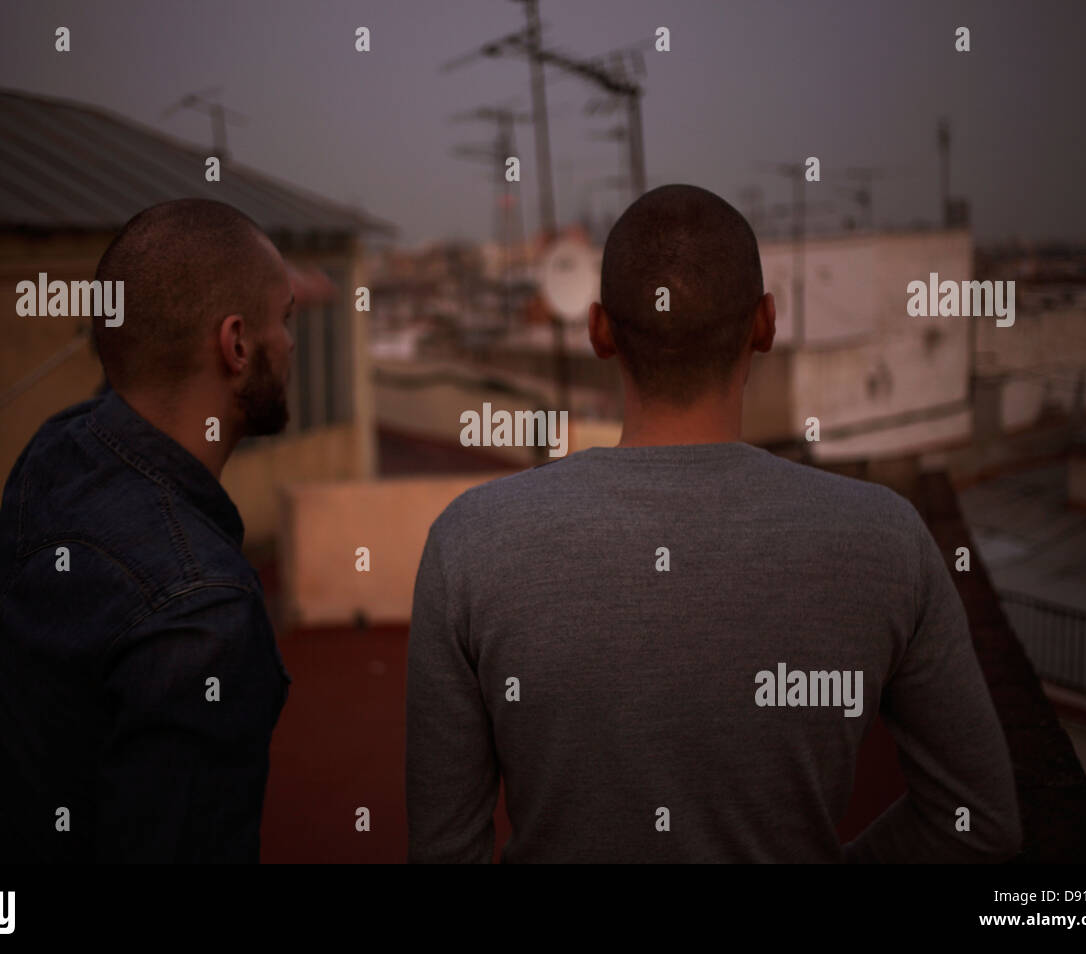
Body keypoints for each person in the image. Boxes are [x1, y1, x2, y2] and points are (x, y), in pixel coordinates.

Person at [406, 184, 1022, 863]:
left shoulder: (468, 544)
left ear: (599, 331)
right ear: (765, 324)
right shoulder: (887, 541)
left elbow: (443, 851)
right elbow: (980, 825)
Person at [0, 198, 296, 862]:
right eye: (286, 321)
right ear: (236, 344)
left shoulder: (54, 452)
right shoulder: (203, 612)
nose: (293, 343)